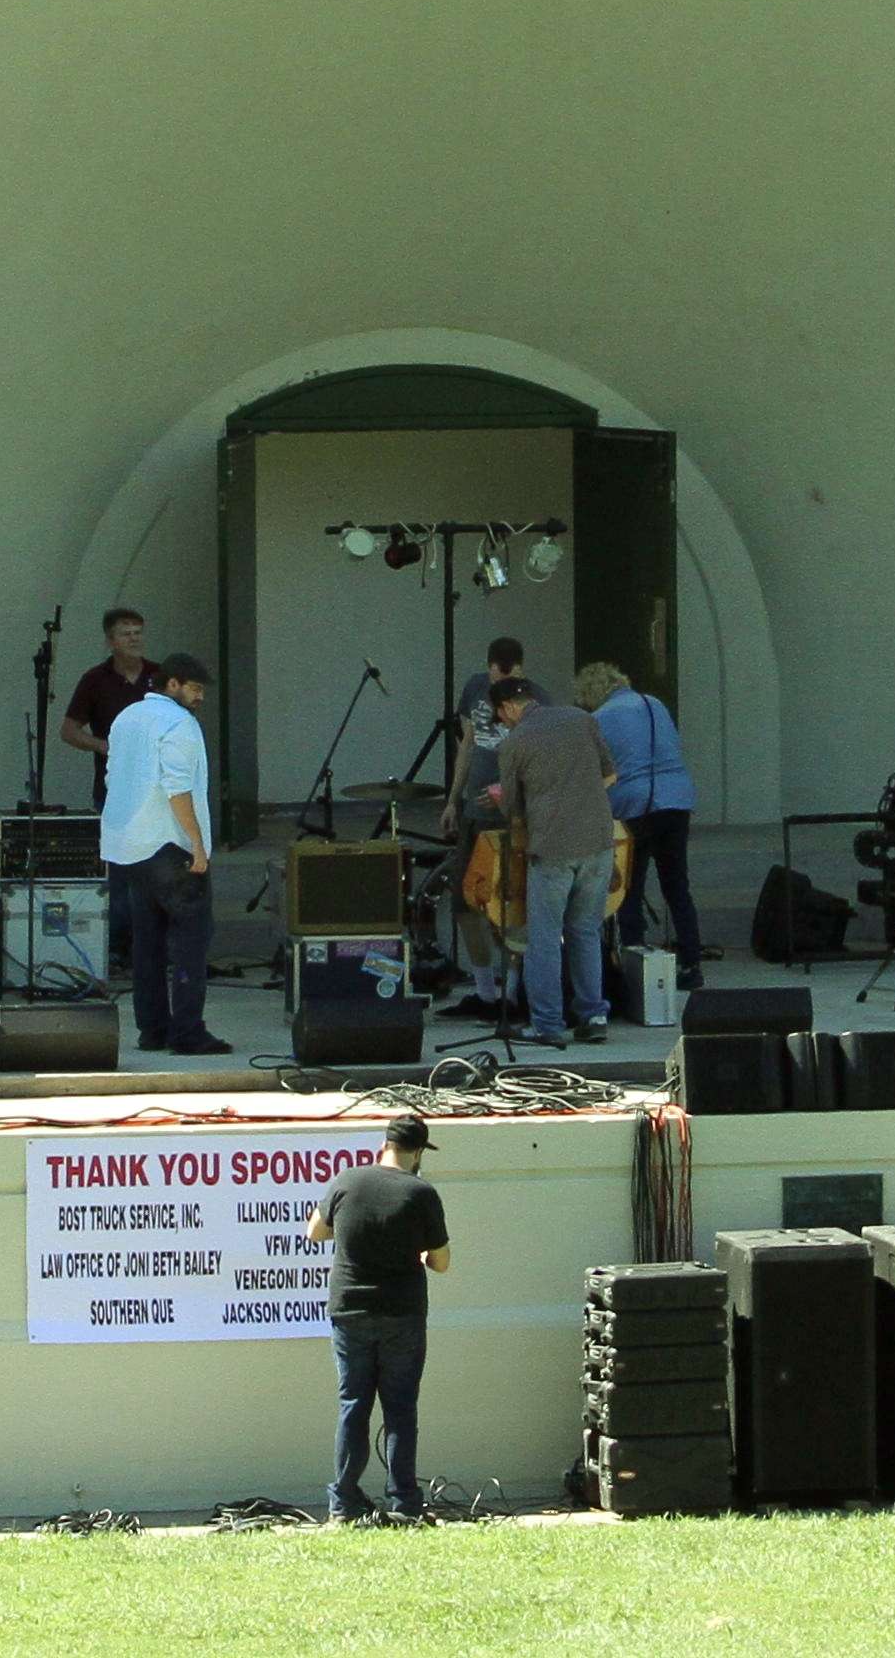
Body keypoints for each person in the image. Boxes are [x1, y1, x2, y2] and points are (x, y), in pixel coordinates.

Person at [305, 1111, 450, 1522]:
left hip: (350, 1311)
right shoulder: (421, 1192)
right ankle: (404, 1504)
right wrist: (419, 1251)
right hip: (402, 1314)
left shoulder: (347, 1180)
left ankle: (344, 1503)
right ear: (418, 1152)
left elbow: (315, 1231)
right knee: (400, 1409)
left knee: (353, 1405)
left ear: (384, 1145)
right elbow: (442, 1262)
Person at [101, 653, 226, 1055]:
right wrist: (197, 845)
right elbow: (178, 789)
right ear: (172, 684)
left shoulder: (126, 718)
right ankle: (188, 1031)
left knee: (147, 943)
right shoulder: (179, 724)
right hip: (170, 845)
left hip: (129, 846)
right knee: (191, 940)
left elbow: (111, 775)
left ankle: (152, 1029)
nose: (200, 697)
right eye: (195, 688)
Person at [491, 676, 616, 1046]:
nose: (505, 723)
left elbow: (513, 809)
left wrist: (500, 798)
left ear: (507, 708)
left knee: (544, 937)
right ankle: (593, 1016)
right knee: (585, 931)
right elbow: (610, 774)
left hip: (552, 848)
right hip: (598, 842)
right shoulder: (581, 719)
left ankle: (547, 1024)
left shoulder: (515, 742)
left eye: (501, 717)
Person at [579, 658, 702, 991]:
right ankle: (692, 962)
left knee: (629, 889)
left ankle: (636, 965)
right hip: (676, 800)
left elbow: (596, 770)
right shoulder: (655, 704)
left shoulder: (598, 718)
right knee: (677, 887)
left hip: (634, 805)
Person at [62, 609, 162, 969]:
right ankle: (121, 948)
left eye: (138, 632)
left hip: (158, 788)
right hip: (115, 787)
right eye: (126, 634)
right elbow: (69, 730)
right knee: (120, 872)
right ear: (110, 640)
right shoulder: (95, 680)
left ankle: (153, 946)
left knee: (157, 868)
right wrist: (103, 746)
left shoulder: (159, 676)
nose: (134, 639)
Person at [436, 638, 529, 1019]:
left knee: (508, 904)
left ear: (520, 669)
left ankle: (512, 991)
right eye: (498, 670)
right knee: (465, 900)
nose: (502, 677)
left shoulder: (535, 698)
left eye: (510, 671)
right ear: (489, 665)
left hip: (510, 817)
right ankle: (484, 991)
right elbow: (468, 745)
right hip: (475, 810)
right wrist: (452, 800)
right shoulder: (475, 687)